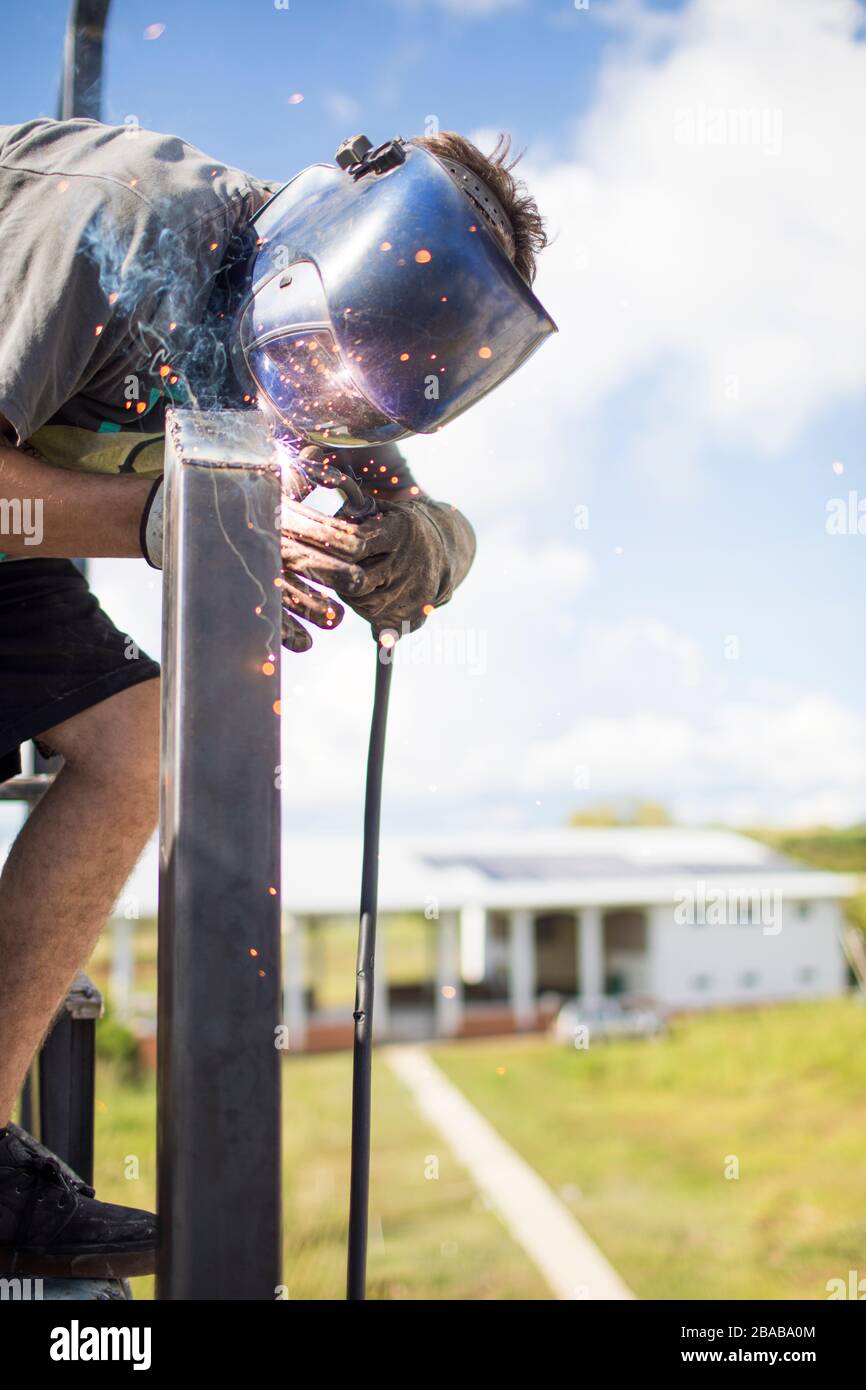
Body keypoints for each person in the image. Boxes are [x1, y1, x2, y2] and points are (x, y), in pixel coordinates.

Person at [0, 117, 553, 1277]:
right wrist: (171, 519)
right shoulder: (113, 218)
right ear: (312, 251)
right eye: (320, 371)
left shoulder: (315, 334)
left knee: (135, 739)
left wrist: (413, 546)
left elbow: (414, 513)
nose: (311, 402)